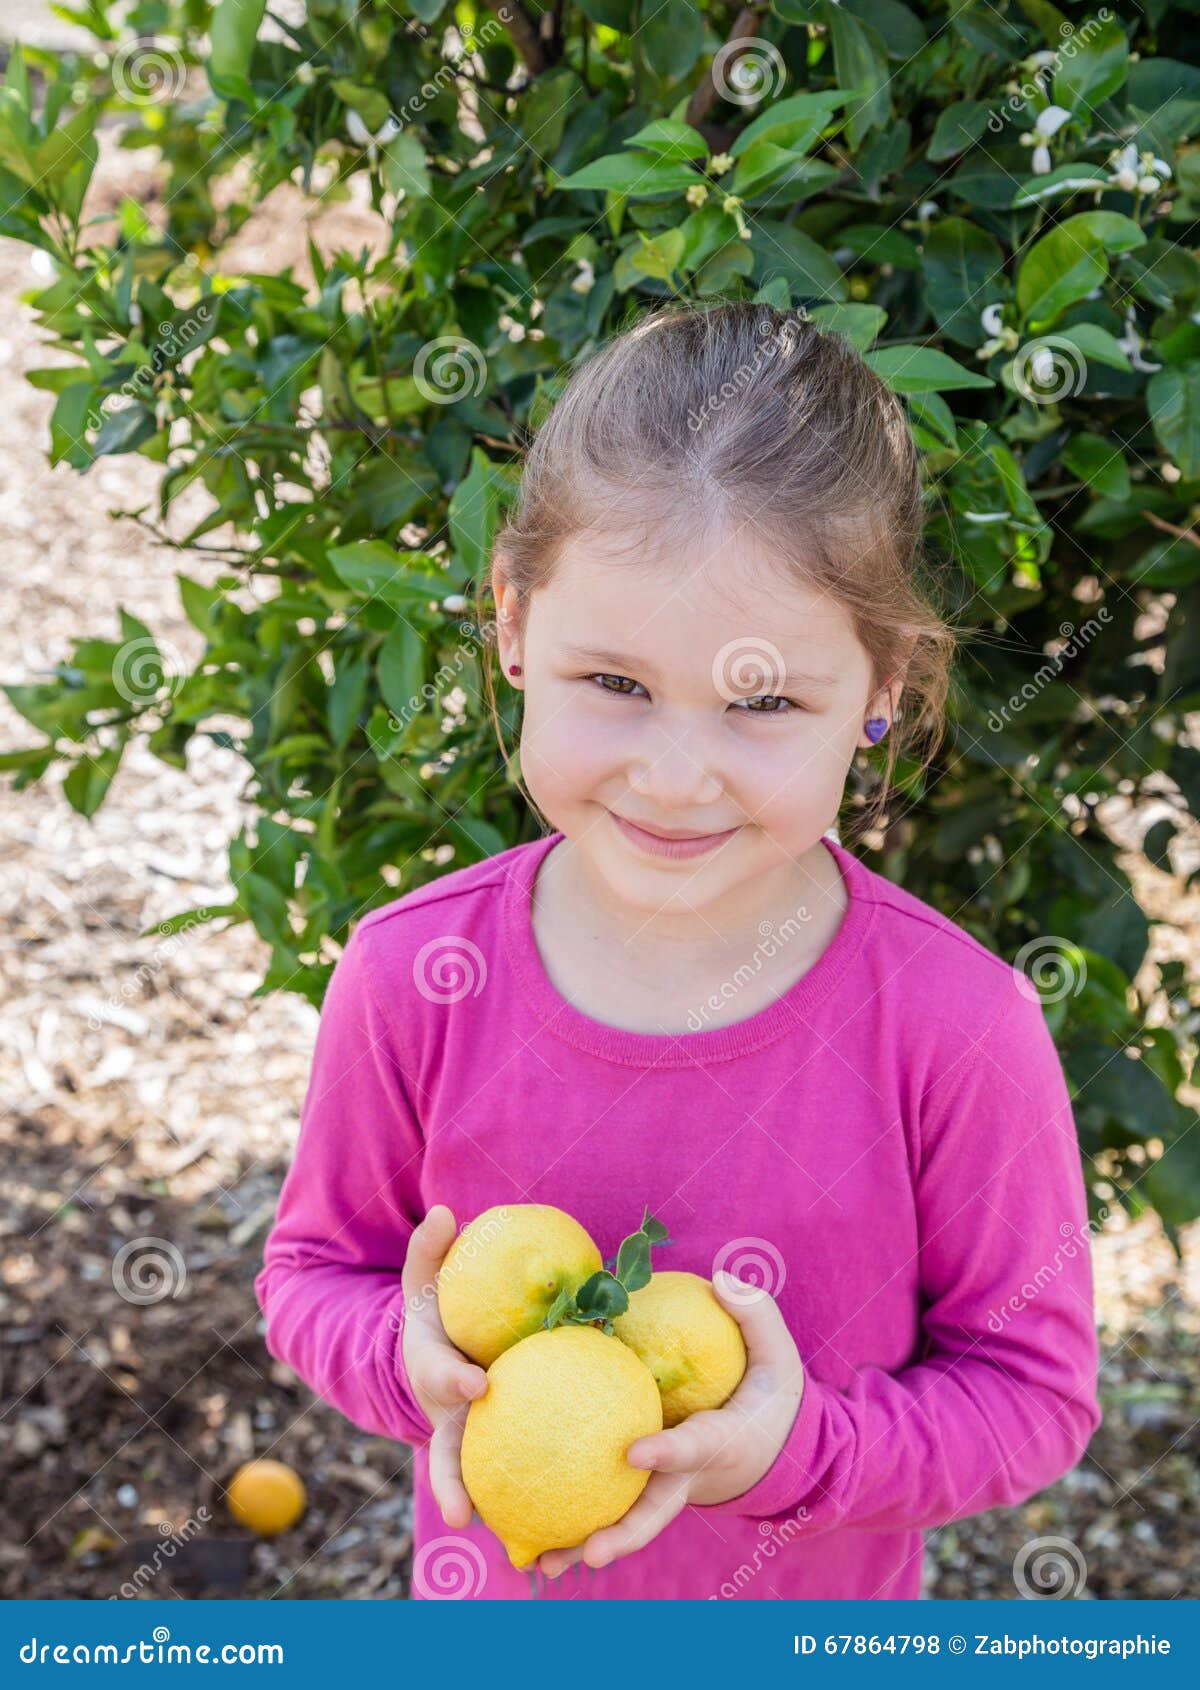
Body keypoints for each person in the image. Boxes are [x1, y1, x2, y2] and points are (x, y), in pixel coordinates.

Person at [255, 303, 1101, 1600]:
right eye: (617, 684)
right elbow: (316, 1273)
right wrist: (402, 1354)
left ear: (881, 687)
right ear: (514, 623)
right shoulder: (414, 977)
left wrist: (798, 1446)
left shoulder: (953, 1024)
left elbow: (1031, 1392)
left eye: (763, 702)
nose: (675, 774)